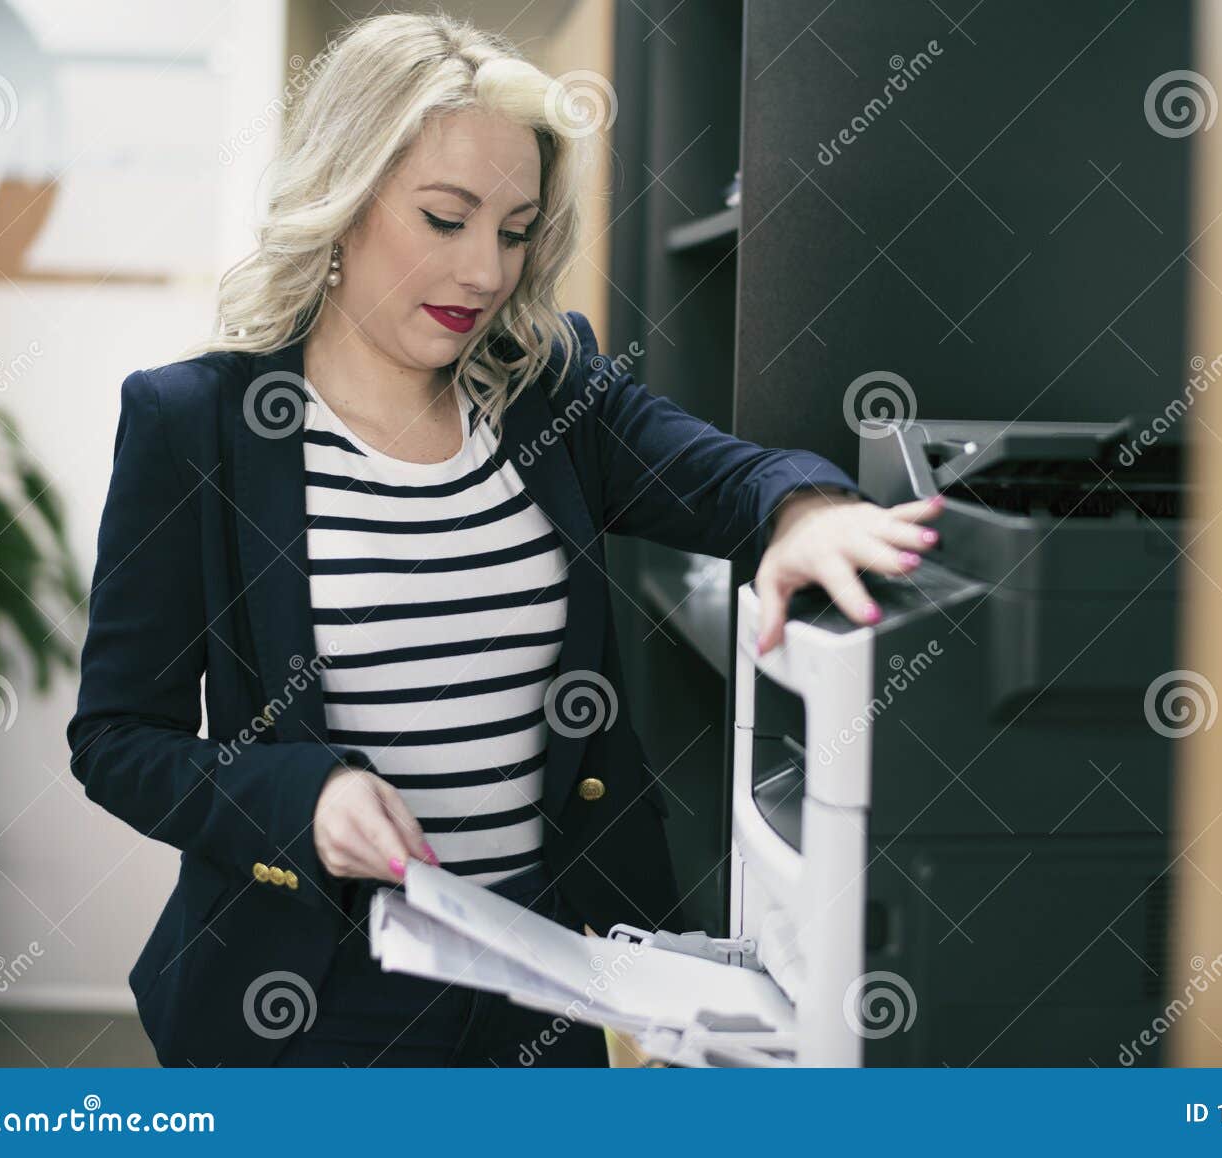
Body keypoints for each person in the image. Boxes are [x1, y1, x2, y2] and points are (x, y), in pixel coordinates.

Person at [66, 10, 944, 1068]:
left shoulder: (545, 387)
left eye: (515, 229)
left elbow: (724, 474)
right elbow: (119, 741)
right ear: (341, 204)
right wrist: (304, 795)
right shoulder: (194, 423)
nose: (485, 272)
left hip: (533, 988)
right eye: (445, 219)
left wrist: (804, 511)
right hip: (307, 997)